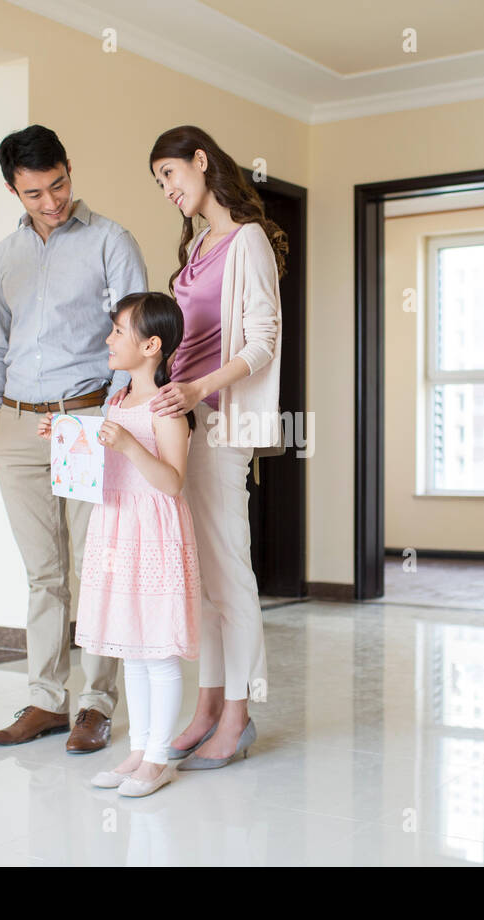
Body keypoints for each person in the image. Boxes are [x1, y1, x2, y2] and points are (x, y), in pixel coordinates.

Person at [0, 125, 149, 753]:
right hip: (17, 423)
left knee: (95, 567)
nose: (50, 202)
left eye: (58, 185)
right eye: (34, 193)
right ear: (12, 189)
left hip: (84, 419)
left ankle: (96, 705)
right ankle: (45, 701)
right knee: (42, 573)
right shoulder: (5, 255)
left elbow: (137, 337)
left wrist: (111, 417)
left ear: (70, 171)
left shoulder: (110, 241)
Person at [133, 125, 286, 769]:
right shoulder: (198, 247)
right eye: (159, 181)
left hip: (221, 427)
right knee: (202, 583)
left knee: (231, 578)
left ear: (202, 161)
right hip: (185, 429)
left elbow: (261, 343)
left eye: (170, 173)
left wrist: (198, 389)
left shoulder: (247, 242)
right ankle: (207, 707)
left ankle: (239, 717)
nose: (167, 189)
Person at [39, 292, 201, 797]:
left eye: (118, 332)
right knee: (132, 648)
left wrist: (130, 444)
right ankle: (139, 752)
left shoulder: (167, 406)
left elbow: (172, 482)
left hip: (152, 532)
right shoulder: (116, 400)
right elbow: (101, 464)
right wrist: (66, 437)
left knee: (158, 650)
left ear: (151, 345)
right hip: (117, 528)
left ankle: (159, 757)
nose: (108, 339)